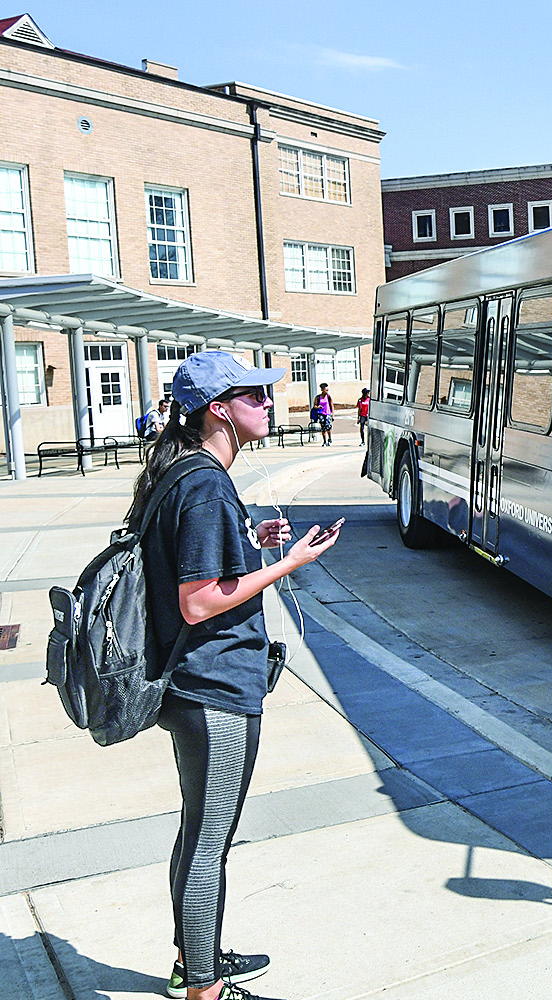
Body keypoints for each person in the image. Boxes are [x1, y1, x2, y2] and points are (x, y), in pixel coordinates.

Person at [126, 351, 341, 1000]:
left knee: (199, 833)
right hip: (213, 687)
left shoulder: (186, 474)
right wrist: (290, 561)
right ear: (219, 409)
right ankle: (203, 988)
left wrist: (253, 541)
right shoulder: (205, 483)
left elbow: (201, 569)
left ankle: (196, 960)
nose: (270, 405)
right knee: (208, 843)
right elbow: (198, 600)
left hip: (197, 684)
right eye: (257, 396)